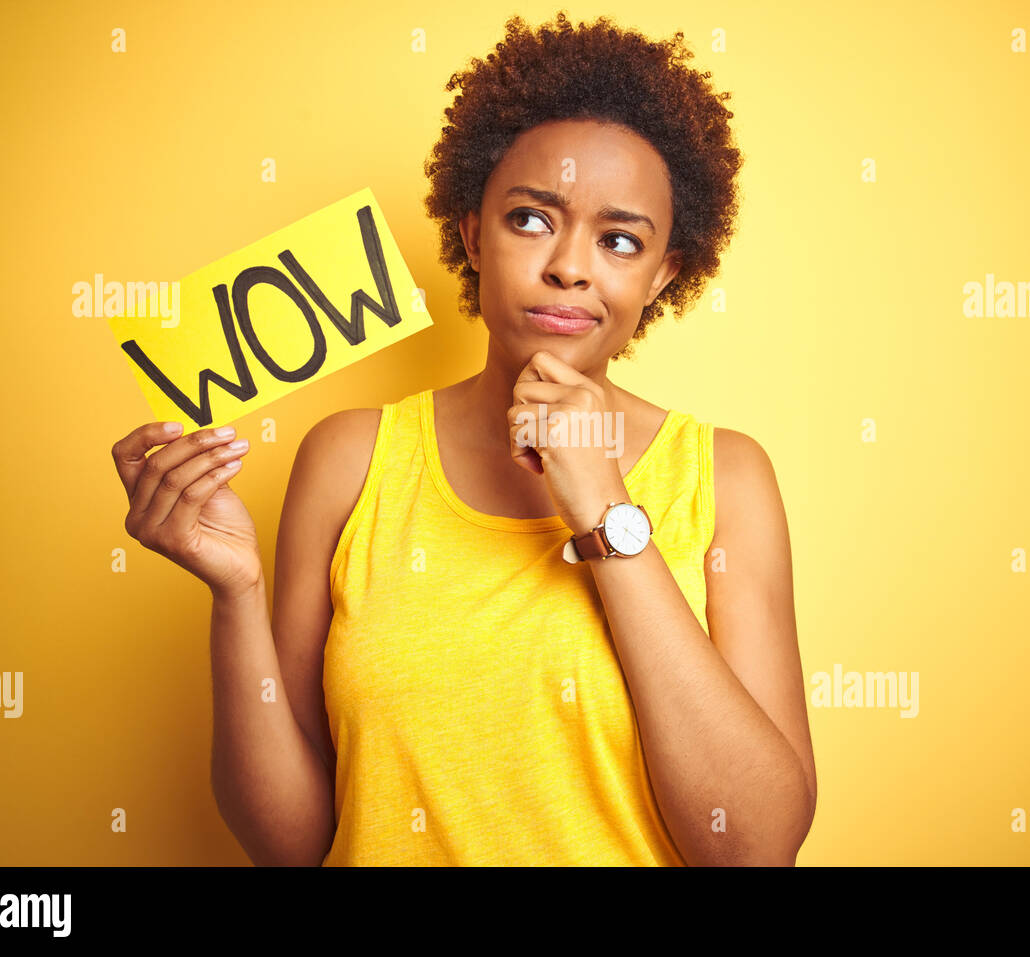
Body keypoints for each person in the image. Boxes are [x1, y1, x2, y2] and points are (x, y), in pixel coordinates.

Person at [111, 10, 816, 866]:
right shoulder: (350, 459)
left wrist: (604, 504)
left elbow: (756, 847)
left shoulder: (724, 478)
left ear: (663, 273)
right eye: (530, 219)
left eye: (620, 240)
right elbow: (292, 843)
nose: (569, 265)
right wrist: (233, 592)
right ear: (472, 231)